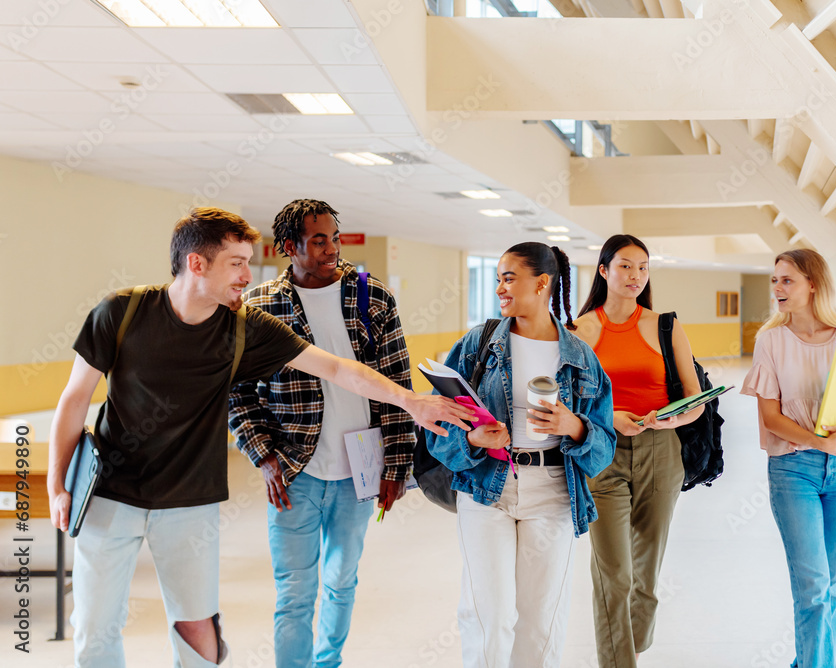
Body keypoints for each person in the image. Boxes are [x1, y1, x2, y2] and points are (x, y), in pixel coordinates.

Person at [45, 207, 471, 668]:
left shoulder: (246, 329)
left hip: (190, 502)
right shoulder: (121, 312)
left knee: (196, 630)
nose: (248, 274)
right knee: (96, 627)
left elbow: (336, 368)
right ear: (197, 264)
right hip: (110, 494)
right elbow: (74, 401)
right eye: (237, 263)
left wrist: (409, 402)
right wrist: (55, 485)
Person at [228, 199, 415, 668]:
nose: (331, 248)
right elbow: (238, 393)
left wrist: (396, 465)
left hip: (359, 470)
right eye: (317, 240)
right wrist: (265, 457)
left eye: (334, 237)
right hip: (294, 472)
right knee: (295, 590)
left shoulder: (373, 298)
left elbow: (398, 384)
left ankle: (327, 661)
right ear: (289, 247)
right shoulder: (260, 307)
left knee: (341, 579)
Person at [426, 242, 615, 668]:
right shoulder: (478, 344)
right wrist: (474, 441)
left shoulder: (581, 357)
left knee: (541, 619)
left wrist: (576, 427)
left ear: (542, 283)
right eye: (497, 279)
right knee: (487, 614)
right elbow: (438, 428)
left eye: (508, 278)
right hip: (486, 488)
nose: (499, 288)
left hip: (553, 492)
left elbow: (603, 451)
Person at [741, 249, 836, 668]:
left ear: (813, 284)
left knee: (828, 585)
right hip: (794, 470)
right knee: (813, 585)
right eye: (774, 280)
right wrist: (819, 441)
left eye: (787, 280)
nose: (777, 288)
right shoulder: (770, 341)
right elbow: (770, 417)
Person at [573, 234, 704, 668]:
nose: (635, 275)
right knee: (615, 574)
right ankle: (618, 661)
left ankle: (630, 643)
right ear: (604, 269)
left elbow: (694, 396)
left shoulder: (664, 324)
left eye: (643, 267)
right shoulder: (580, 330)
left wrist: (674, 419)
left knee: (645, 578)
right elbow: (568, 401)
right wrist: (611, 417)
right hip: (602, 452)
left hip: (661, 451)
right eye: (626, 266)